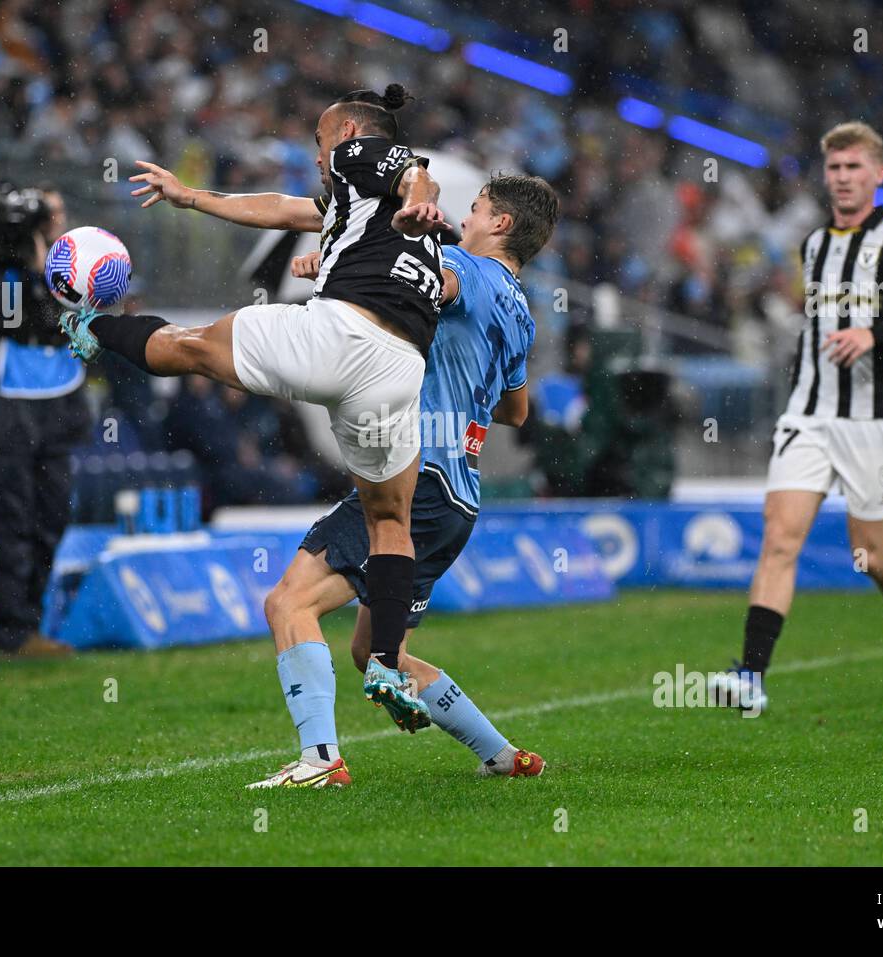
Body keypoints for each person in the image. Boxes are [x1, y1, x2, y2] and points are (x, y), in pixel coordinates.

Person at [61, 85, 447, 716]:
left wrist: (419, 204)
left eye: (319, 142)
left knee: (189, 347)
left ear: (346, 132)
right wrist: (194, 198)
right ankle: (384, 666)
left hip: (341, 334)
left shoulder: (363, 154)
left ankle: (88, 328)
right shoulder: (363, 206)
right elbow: (286, 209)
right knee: (389, 523)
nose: (319, 156)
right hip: (400, 370)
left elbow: (417, 176)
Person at [245, 174, 559, 789]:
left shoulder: (463, 267)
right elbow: (515, 411)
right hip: (459, 500)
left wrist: (339, 272)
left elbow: (427, 282)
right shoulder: (522, 310)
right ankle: (502, 755)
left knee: (288, 602)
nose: (466, 219)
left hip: (418, 481)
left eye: (476, 210)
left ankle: (319, 762)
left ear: (500, 225)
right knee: (375, 654)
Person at [709, 121, 883, 712]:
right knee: (779, 536)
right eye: (835, 168)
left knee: (870, 555)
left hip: (875, 423)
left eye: (854, 167)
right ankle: (752, 676)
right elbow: (817, 328)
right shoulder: (816, 245)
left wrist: (876, 334)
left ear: (878, 173)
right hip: (810, 415)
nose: (843, 178)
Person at [0, 179, 90, 658]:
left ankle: (29, 625)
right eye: (41, 219)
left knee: (52, 515)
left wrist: (47, 272)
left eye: (53, 216)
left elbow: (82, 323)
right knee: (11, 519)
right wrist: (30, 271)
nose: (50, 226)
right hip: (5, 411)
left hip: (57, 408)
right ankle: (11, 633)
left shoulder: (76, 265)